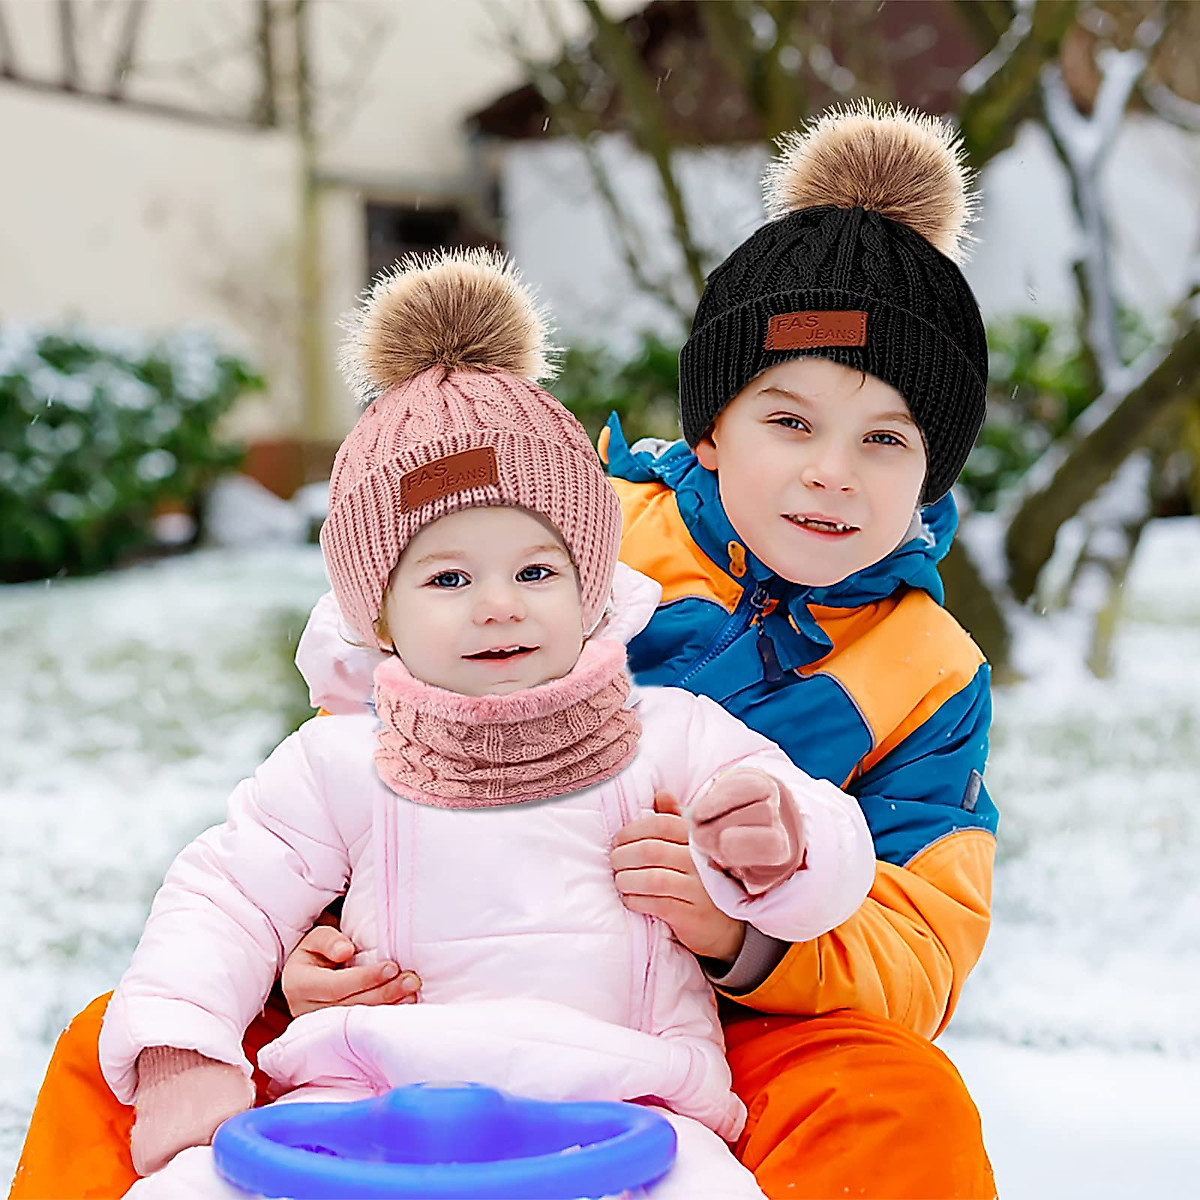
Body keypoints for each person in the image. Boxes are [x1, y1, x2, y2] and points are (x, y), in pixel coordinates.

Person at [10, 101, 999, 1200]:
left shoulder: (932, 673)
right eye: (791, 421)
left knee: (897, 1105)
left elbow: (923, 944)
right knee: (121, 1047)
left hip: (721, 1025)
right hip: (422, 983)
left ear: (935, 470)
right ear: (714, 424)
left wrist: (745, 942)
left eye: (885, 440)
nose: (832, 473)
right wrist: (320, 942)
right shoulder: (567, 531)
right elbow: (367, 739)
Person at [95, 249, 875, 1198]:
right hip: (367, 1102)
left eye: (537, 571)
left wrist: (774, 848)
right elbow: (226, 897)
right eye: (449, 577)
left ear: (591, 587)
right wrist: (185, 1052)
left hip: (629, 1113)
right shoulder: (343, 761)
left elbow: (830, 860)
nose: (499, 606)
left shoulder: (670, 734)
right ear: (377, 613)